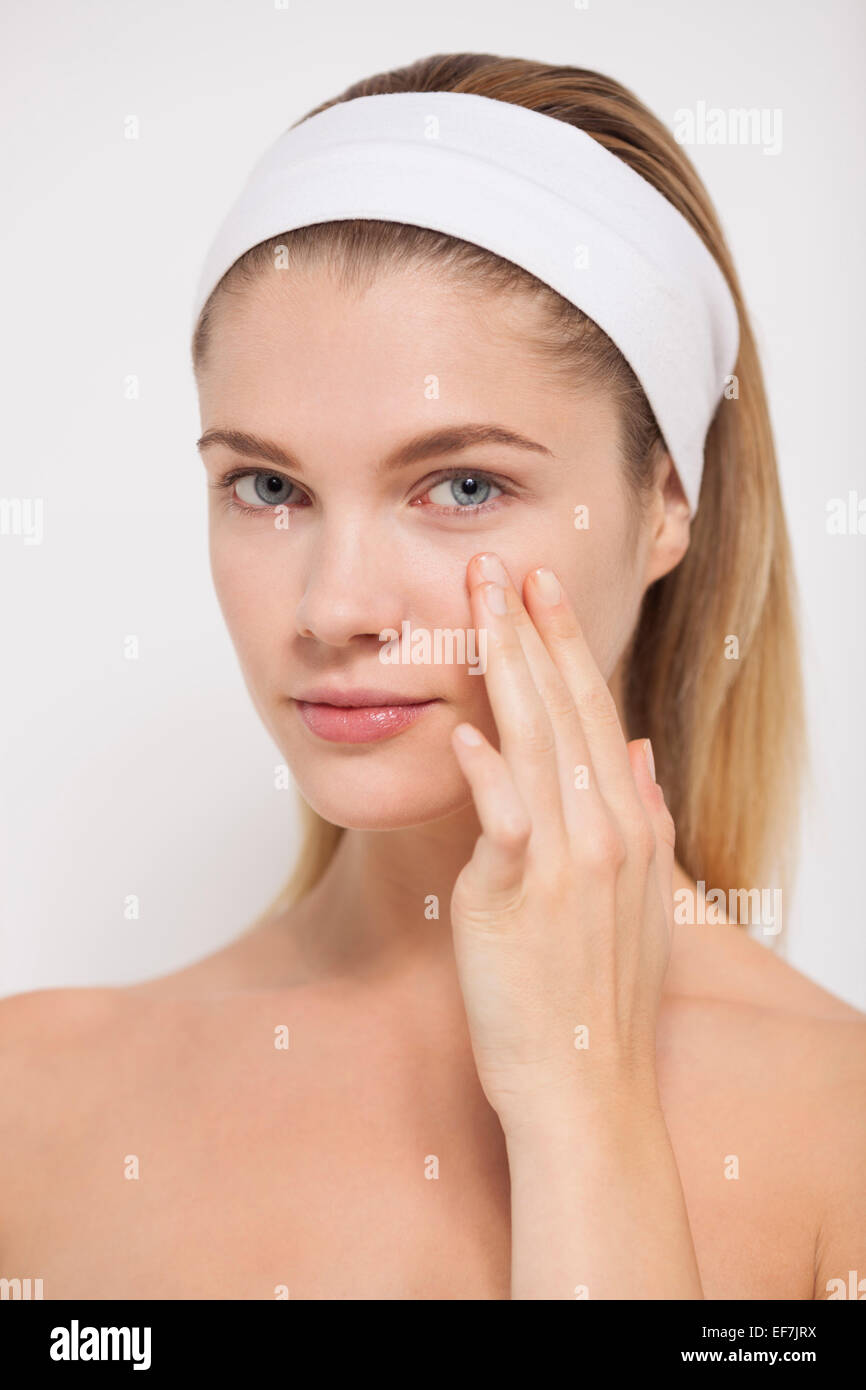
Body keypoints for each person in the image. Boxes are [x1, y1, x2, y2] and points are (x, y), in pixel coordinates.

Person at [1, 52, 863, 1301]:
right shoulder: (34, 1101)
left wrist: (581, 1105)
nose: (334, 608)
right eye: (268, 486)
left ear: (666, 498)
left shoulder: (840, 1136)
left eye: (462, 486)